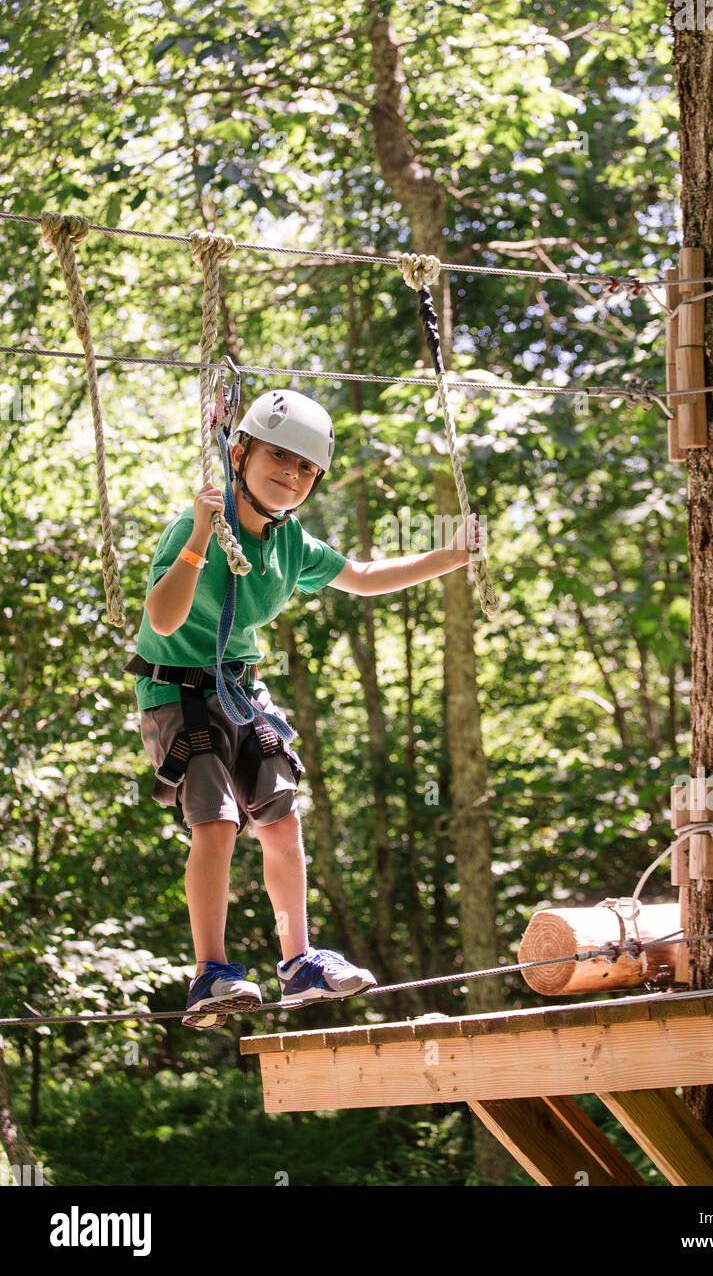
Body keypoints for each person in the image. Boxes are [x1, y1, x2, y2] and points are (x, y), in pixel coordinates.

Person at [127, 388, 486, 1028]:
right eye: (277, 457)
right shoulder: (197, 525)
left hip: (238, 688)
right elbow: (161, 615)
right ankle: (211, 972)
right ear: (239, 454)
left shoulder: (291, 543)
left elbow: (367, 577)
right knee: (216, 822)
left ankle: (298, 964)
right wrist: (200, 539)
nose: (290, 476)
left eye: (305, 469)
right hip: (177, 691)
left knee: (281, 817)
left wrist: (453, 556)